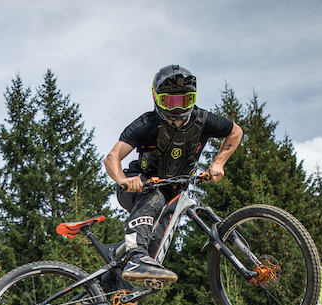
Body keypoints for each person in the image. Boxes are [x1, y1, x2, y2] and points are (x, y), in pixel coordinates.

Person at [104, 64, 243, 288]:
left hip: (174, 194)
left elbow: (235, 132)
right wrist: (123, 180)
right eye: (170, 101)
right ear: (156, 98)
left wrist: (218, 163)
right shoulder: (146, 124)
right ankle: (135, 257)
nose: (178, 109)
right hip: (139, 186)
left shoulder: (203, 120)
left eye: (184, 101)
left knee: (155, 250)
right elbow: (112, 157)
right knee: (154, 197)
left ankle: (112, 304)